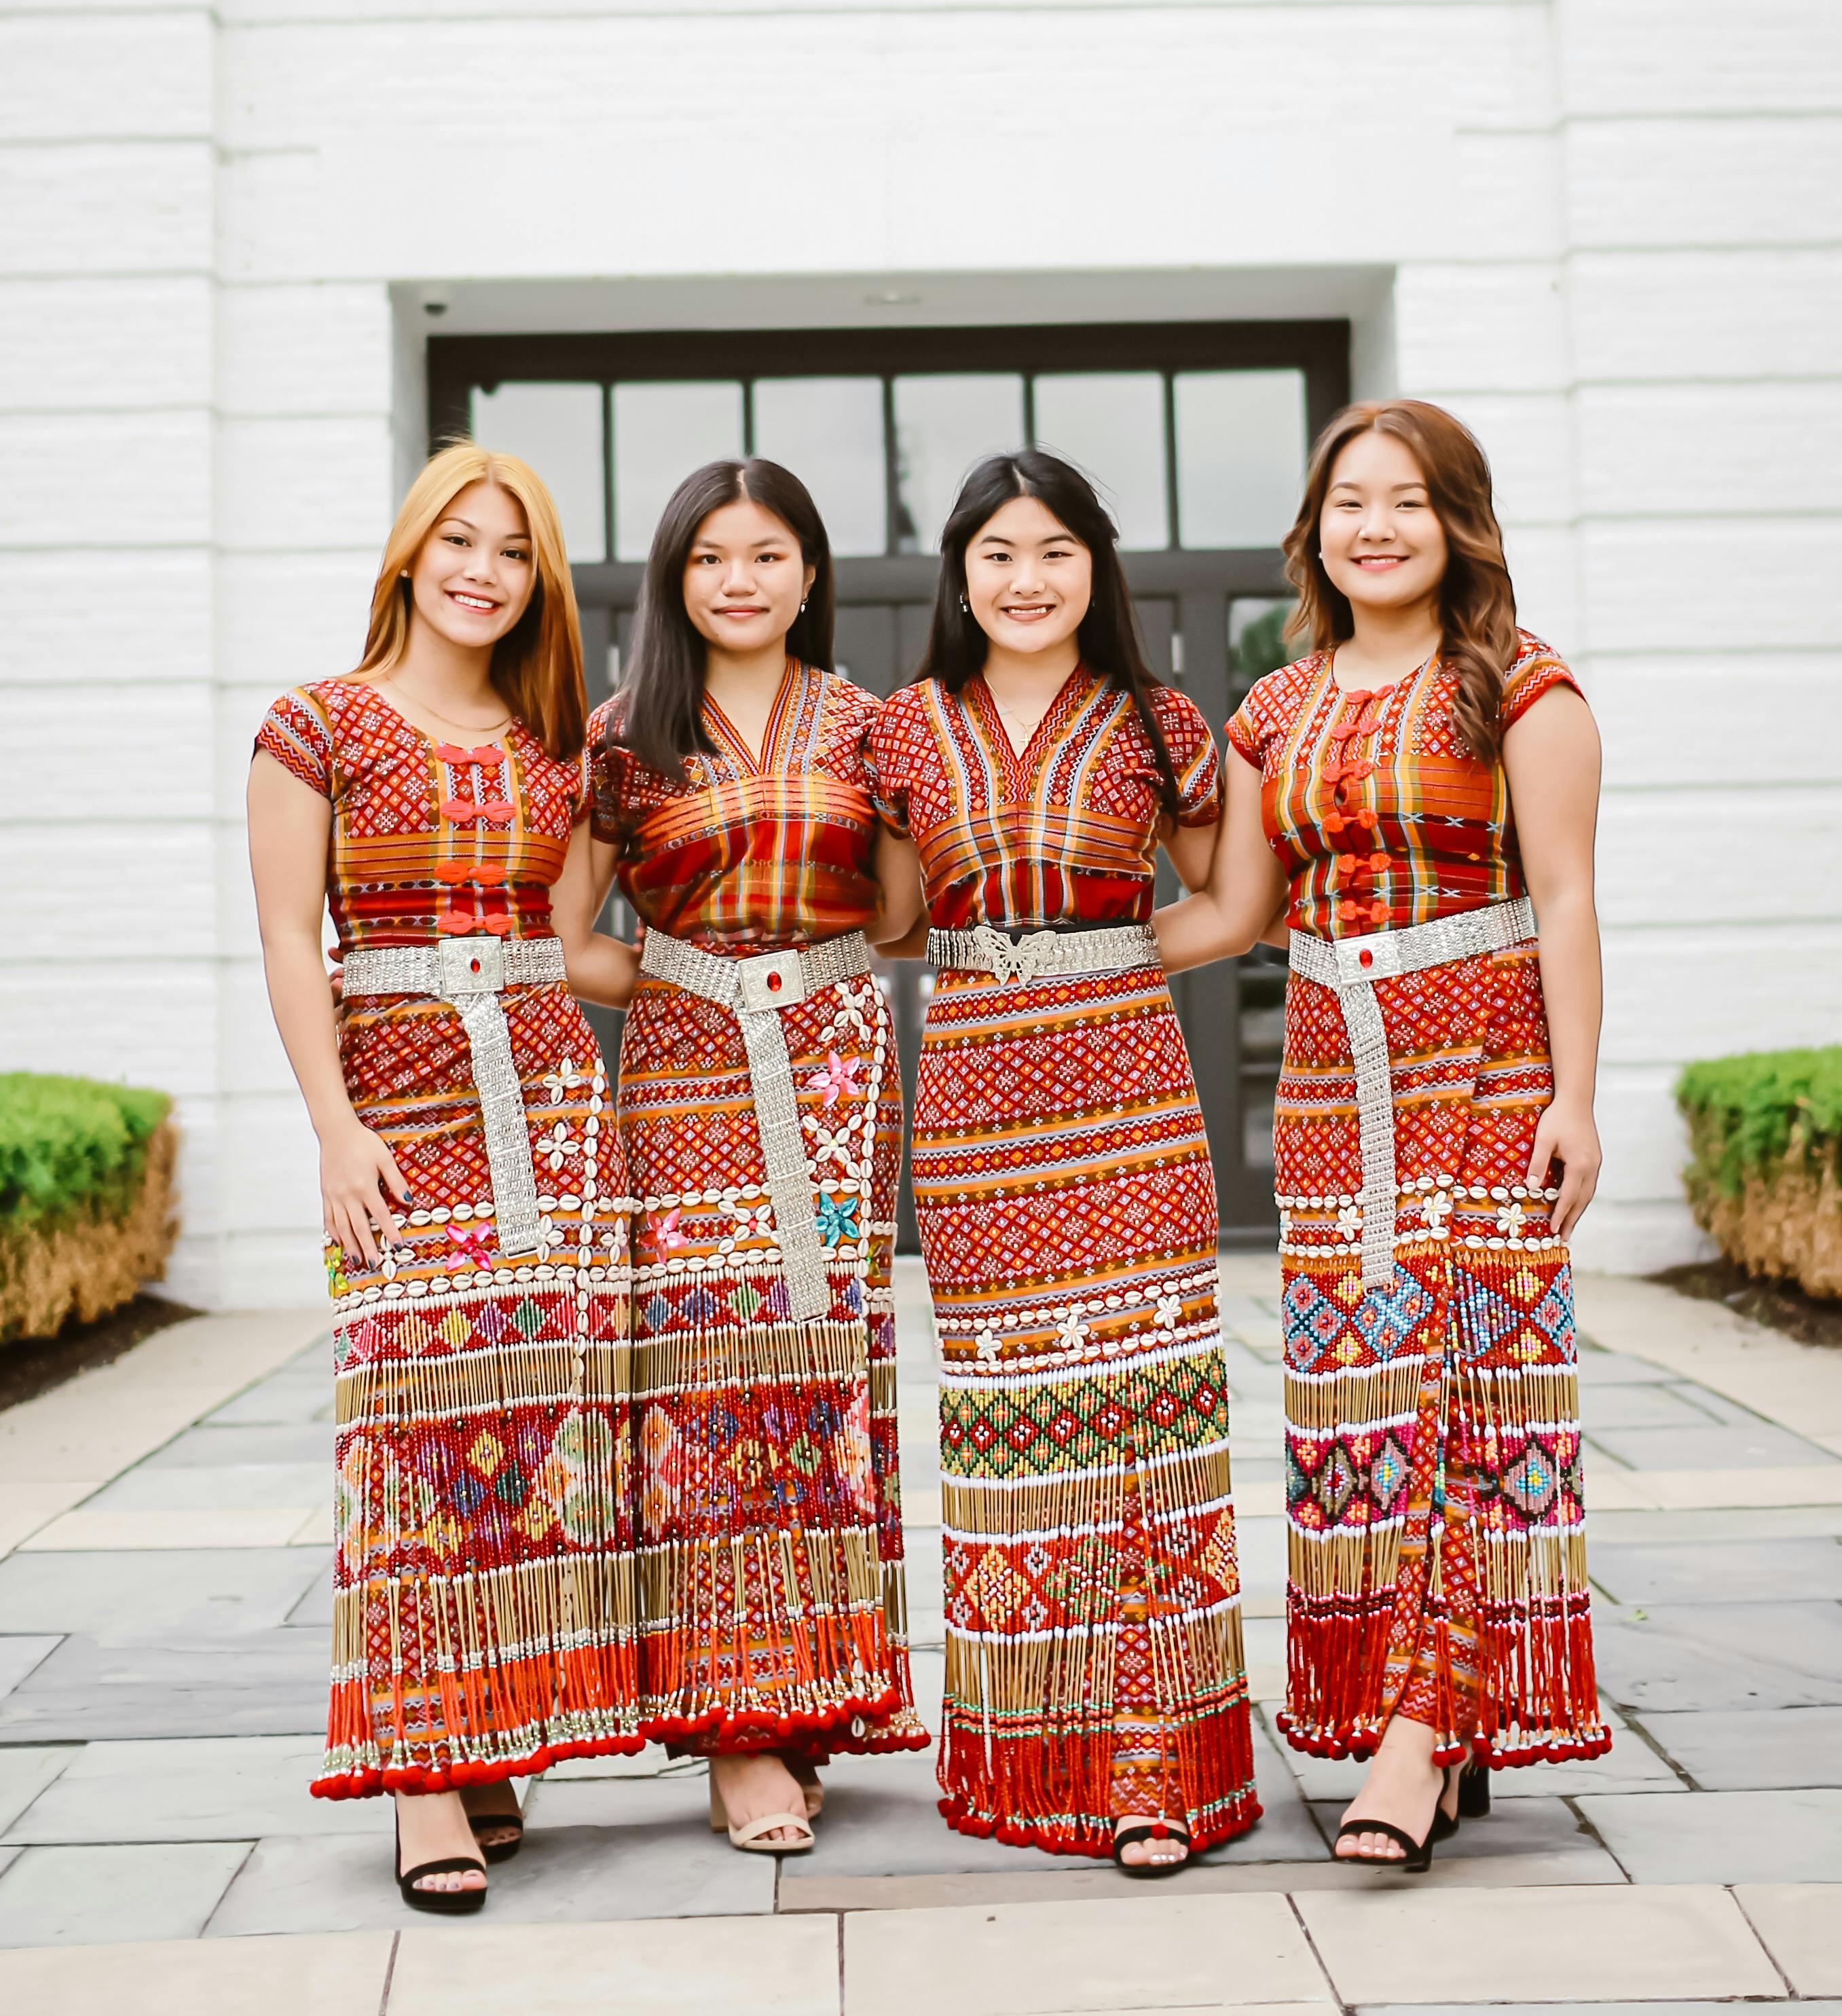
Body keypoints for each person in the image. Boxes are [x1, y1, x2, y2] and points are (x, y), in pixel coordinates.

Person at [1158, 399, 1608, 1872]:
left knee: (1462, 1399)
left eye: (1403, 501)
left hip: (1483, 1070)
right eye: (1346, 501)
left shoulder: (1521, 693)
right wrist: (1033, 949)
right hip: (1329, 1091)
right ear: (1315, 531)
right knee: (1354, 1412)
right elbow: (1229, 911)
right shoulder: (1269, 710)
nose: (1372, 526)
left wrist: (1577, 1097)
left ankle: (1419, 1742)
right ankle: (1423, 1711)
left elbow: (1563, 901)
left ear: (1454, 521)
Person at [248, 445, 643, 1915]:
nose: (483, 568)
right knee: (410, 1426)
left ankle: (489, 1739)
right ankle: (420, 1767)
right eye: (458, 540)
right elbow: (295, 938)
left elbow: (579, 932)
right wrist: (334, 1129)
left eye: (513, 549)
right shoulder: (317, 726)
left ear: (538, 580)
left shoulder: (564, 746)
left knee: (530, 1435)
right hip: (400, 1112)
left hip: (551, 1106)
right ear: (410, 555)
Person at [864, 450, 1260, 1873]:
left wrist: (1099, 958)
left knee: (1145, 1419)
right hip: (972, 1107)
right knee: (1009, 1429)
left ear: (1096, 567)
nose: (1024, 580)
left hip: (1130, 1092)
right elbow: (897, 923)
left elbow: (1235, 900)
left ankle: (1155, 1761)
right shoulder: (901, 732)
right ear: (957, 577)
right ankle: (1031, 1756)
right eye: (995, 555)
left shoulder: (1161, 722)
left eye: (1053, 552)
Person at [555, 460, 927, 1856]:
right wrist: (680, 983)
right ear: (675, 576)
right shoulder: (625, 732)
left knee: (823, 1367)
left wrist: (809, 974)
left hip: (836, 1062)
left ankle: (815, 1697)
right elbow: (565, 931)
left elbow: (894, 919)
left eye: (766, 554)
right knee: (708, 1383)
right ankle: (734, 1729)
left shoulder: (872, 727)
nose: (739, 580)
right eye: (710, 556)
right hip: (686, 1070)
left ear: (810, 572)